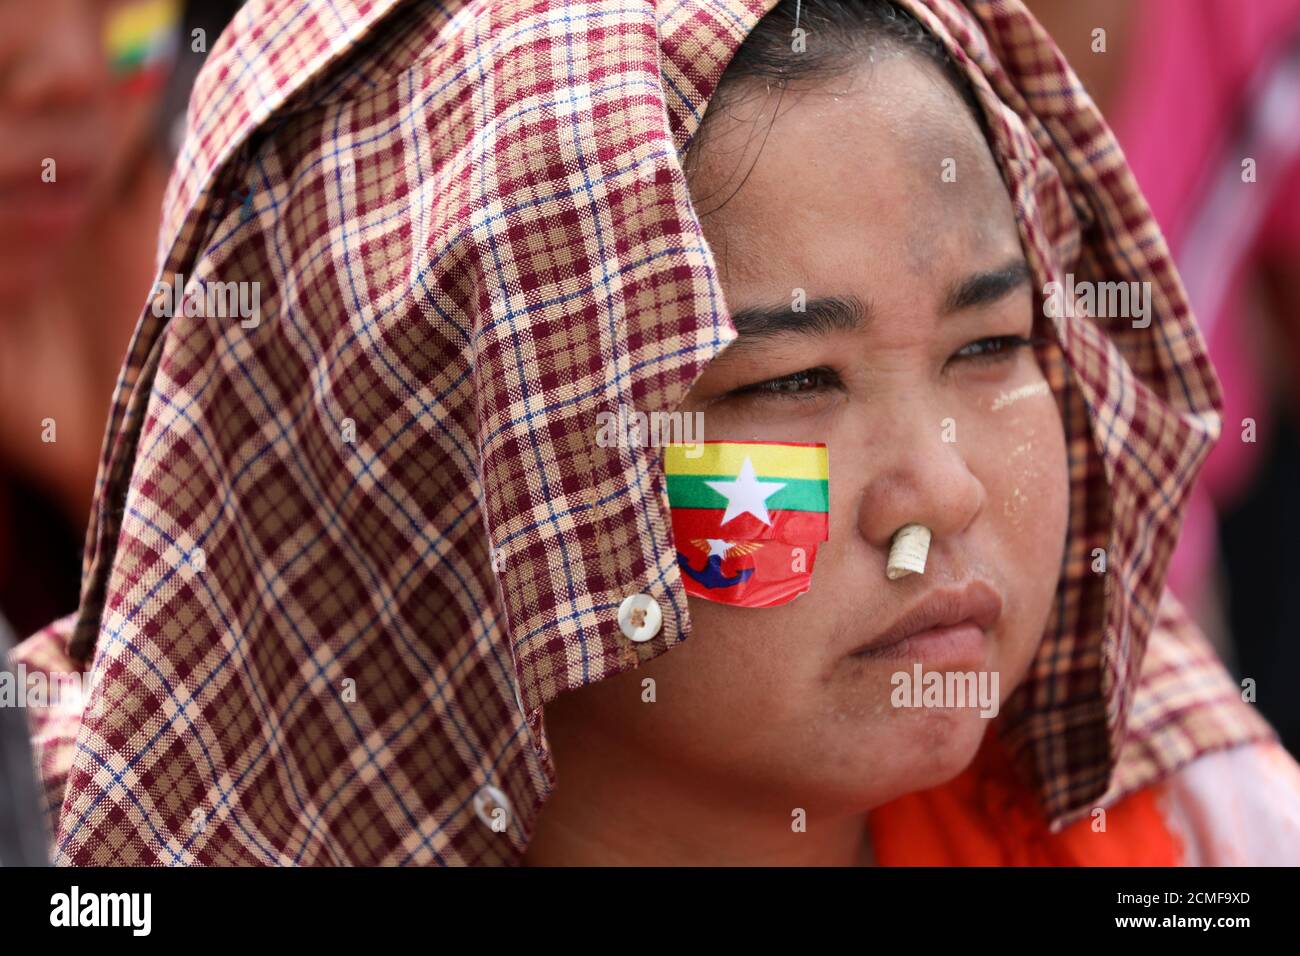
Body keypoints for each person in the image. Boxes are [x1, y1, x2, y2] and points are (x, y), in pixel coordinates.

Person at [10, 0, 1300, 866]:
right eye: (786, 383)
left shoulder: (1195, 832)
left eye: (989, 346)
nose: (942, 494)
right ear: (465, 467)